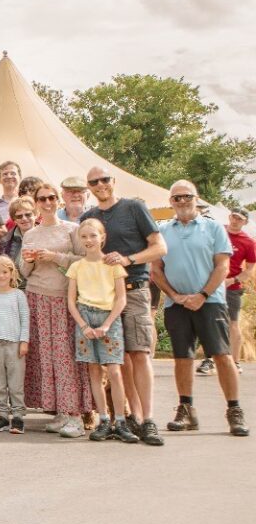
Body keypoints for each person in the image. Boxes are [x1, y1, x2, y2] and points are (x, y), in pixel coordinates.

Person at [81, 165, 167, 445]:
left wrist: (128, 259)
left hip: (135, 289)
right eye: (94, 181)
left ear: (113, 181)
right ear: (89, 187)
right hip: (103, 299)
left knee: (140, 353)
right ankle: (131, 416)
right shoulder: (89, 218)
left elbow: (159, 247)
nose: (100, 184)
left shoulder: (134, 208)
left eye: (104, 179)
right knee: (121, 360)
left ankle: (148, 419)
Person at [155, 181, 247, 437]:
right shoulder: (163, 230)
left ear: (196, 199)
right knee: (182, 357)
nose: (182, 201)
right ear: (170, 202)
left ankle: (234, 410)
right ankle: (186, 409)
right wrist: (174, 295)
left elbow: (222, 266)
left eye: (187, 197)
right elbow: (156, 270)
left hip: (210, 302)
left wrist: (203, 294)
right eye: (176, 198)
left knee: (221, 355)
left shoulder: (213, 227)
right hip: (177, 303)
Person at [19, 182, 93, 439]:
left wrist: (56, 257)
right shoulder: (30, 234)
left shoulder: (71, 230)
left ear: (58, 201)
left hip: (63, 298)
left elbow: (85, 260)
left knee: (65, 357)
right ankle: (59, 411)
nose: (47, 202)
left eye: (51, 198)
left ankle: (74, 414)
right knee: (46, 356)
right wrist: (29, 260)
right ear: (36, 203)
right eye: (42, 199)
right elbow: (24, 272)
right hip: (37, 297)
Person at [67, 218, 138, 443]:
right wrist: (84, 325)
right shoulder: (77, 266)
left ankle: (121, 420)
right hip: (85, 316)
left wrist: (107, 324)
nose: (89, 240)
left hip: (109, 317)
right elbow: (71, 301)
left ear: (102, 237)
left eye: (93, 236)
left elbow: (121, 298)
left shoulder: (113, 265)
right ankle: (103, 419)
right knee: (94, 372)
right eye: (84, 236)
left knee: (115, 371)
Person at [0, 256, 29, 433]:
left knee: (16, 382)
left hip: (14, 343)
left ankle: (18, 417)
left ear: (11, 274)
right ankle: (1, 415)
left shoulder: (18, 295)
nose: (1, 276)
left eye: (4, 272)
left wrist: (24, 341)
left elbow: (25, 320)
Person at [210, 208, 251, 372]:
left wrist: (232, 280)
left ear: (245, 222)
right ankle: (210, 359)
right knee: (210, 321)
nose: (235, 221)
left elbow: (249, 269)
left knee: (233, 322)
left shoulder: (248, 242)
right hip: (212, 283)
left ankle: (235, 361)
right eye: (234, 217)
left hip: (232, 287)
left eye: (239, 219)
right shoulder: (217, 232)